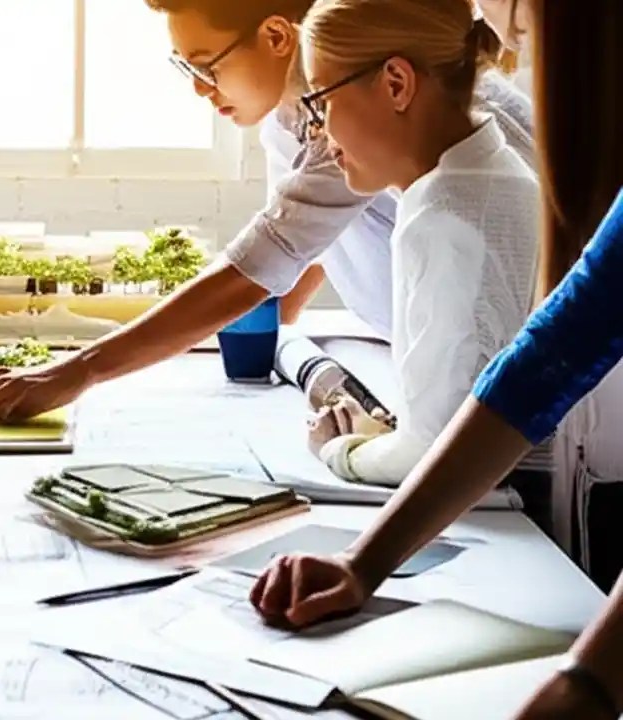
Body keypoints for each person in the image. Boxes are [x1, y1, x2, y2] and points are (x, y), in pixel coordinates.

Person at [250, 1, 623, 715]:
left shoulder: (454, 207)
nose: (511, 45)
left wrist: (595, 677)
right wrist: (364, 564)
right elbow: (543, 363)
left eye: (525, 25)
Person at [0, 0, 534, 431]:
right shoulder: (291, 117)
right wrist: (270, 334)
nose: (202, 91)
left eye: (208, 66)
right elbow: (304, 235)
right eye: (186, 69)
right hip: (447, 371)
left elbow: (263, 259)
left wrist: (80, 371)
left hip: (521, 382)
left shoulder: (364, 109)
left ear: (277, 35)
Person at [296, 0, 538, 487]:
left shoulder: (445, 217)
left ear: (396, 85)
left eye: (321, 102)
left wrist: (342, 450)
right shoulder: (501, 176)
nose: (319, 134)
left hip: (522, 512)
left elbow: (436, 452)